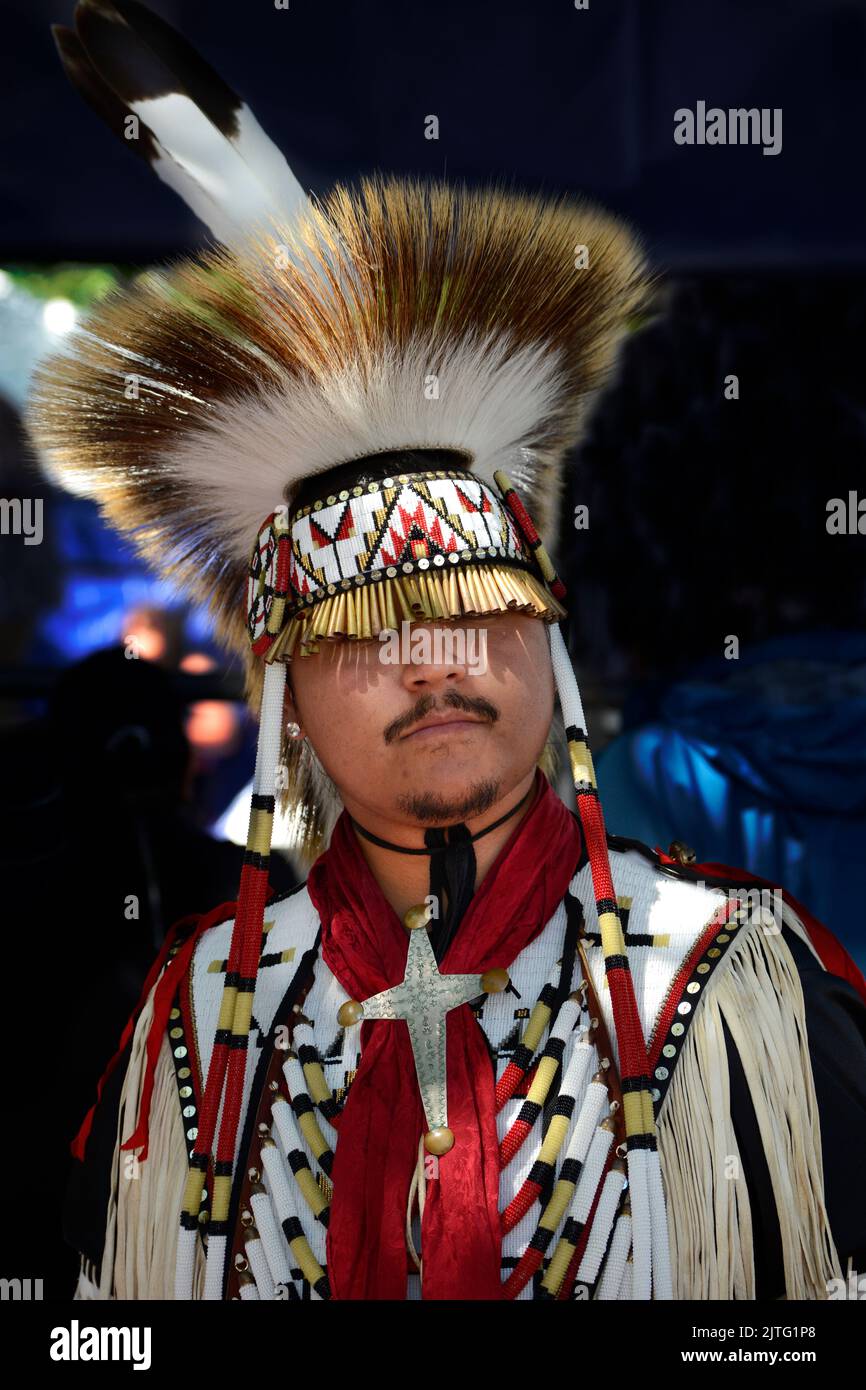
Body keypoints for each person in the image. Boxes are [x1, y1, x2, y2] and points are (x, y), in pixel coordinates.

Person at [27, 0, 866, 1301]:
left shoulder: (735, 986)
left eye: (471, 600)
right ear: (284, 694)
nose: (429, 658)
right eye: (361, 627)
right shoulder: (192, 1028)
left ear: (546, 635)